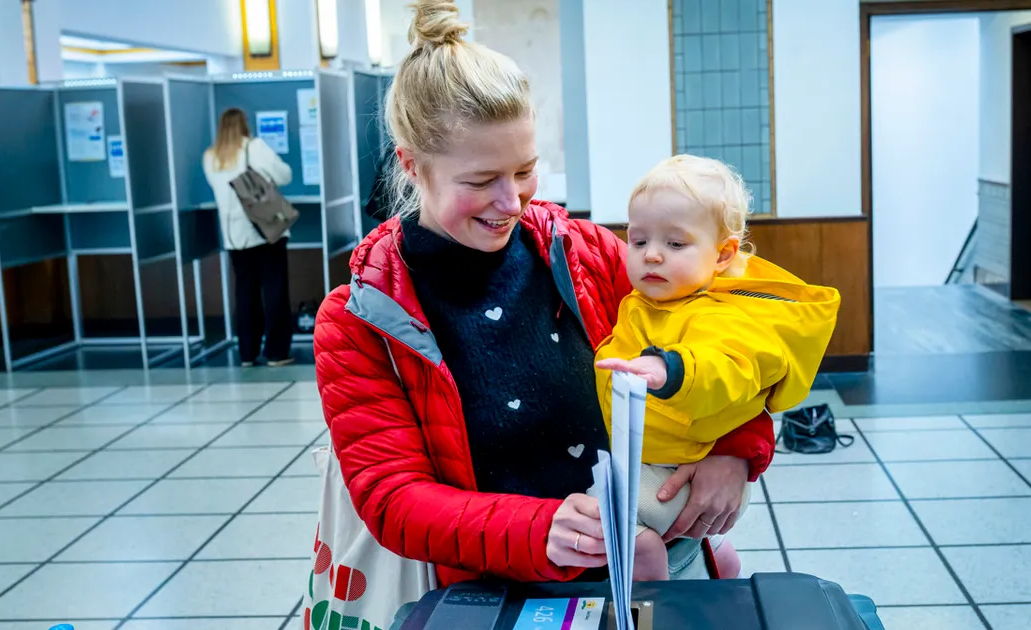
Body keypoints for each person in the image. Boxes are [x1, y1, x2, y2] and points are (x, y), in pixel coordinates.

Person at [313, 0, 776, 592]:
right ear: (411, 166)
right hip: (504, 585)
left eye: (525, 171)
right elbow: (393, 498)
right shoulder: (360, 319)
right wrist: (540, 529)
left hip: (660, 562)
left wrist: (737, 450)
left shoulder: (587, 254)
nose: (512, 201)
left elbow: (727, 337)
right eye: (481, 182)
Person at [594, 155, 840, 581]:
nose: (652, 256)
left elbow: (730, 367)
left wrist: (671, 370)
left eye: (675, 244)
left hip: (682, 466)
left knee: (607, 518)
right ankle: (719, 555)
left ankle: (649, 582)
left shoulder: (719, 313)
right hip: (666, 454)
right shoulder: (651, 302)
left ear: (723, 254)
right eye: (638, 241)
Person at [203, 108, 295, 368]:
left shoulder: (211, 157)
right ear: (244, 125)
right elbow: (284, 175)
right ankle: (276, 352)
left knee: (245, 293)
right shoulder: (253, 147)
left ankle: (247, 352)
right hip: (265, 229)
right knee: (275, 290)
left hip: (234, 236)